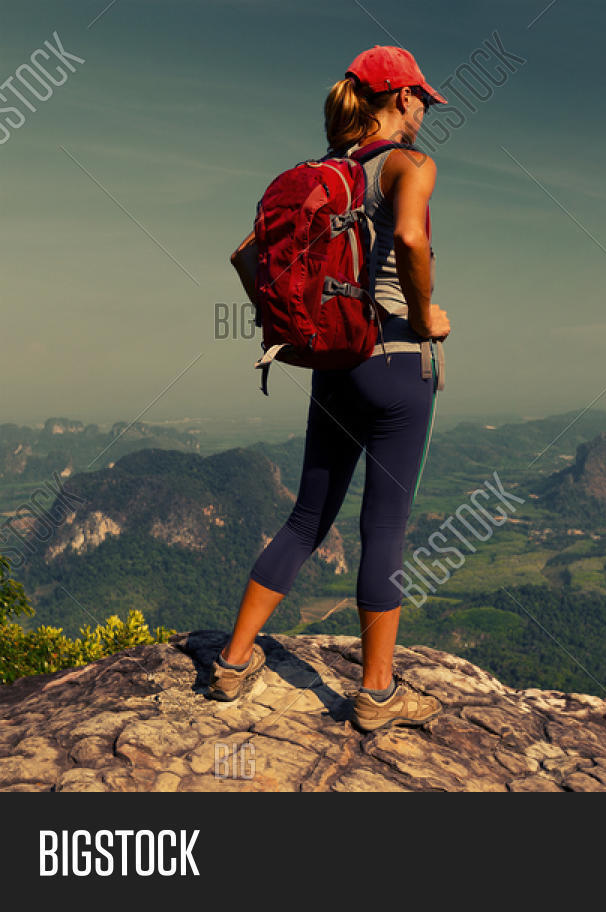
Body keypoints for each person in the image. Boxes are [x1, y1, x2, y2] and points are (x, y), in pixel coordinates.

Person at [212, 46, 452, 734]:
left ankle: (232, 661)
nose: (424, 112)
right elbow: (409, 236)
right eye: (421, 101)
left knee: (306, 517)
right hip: (398, 365)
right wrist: (422, 311)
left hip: (334, 362)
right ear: (401, 98)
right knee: (383, 526)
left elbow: (245, 257)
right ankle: (377, 694)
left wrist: (292, 326)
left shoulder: (323, 177)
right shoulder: (408, 165)